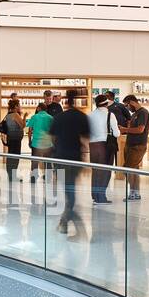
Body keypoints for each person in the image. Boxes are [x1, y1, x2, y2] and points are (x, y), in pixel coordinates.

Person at [50, 91, 89, 236]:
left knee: (68, 190)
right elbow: (85, 138)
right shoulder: (81, 117)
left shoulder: (59, 117)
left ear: (65, 101)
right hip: (75, 157)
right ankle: (65, 220)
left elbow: (52, 137)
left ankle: (64, 221)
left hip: (60, 157)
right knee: (70, 190)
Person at [87, 93, 119, 204]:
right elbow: (116, 133)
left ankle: (95, 196)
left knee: (95, 170)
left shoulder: (90, 115)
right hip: (105, 146)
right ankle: (101, 197)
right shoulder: (110, 115)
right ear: (106, 104)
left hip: (93, 145)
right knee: (105, 171)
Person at [0, 97, 25, 190]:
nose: (20, 107)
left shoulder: (8, 115)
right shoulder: (16, 115)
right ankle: (13, 176)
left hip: (10, 138)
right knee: (16, 157)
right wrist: (25, 116)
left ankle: (11, 176)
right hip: (16, 139)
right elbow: (23, 125)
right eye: (19, 105)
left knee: (10, 156)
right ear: (16, 106)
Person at [25, 101, 54, 184]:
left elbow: (30, 130)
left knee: (34, 161)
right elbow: (53, 131)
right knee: (48, 162)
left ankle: (34, 178)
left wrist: (29, 141)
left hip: (36, 143)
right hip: (48, 143)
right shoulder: (50, 118)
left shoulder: (34, 117)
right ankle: (48, 178)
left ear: (39, 108)